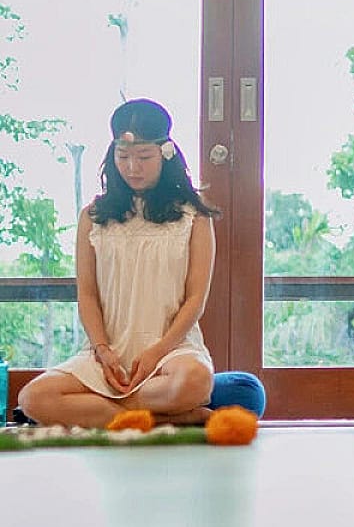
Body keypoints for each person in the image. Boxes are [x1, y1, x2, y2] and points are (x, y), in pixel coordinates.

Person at [18, 99, 220, 428]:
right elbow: (88, 294)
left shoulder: (194, 216)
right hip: (106, 355)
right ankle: (168, 418)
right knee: (33, 399)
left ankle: (114, 411)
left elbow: (195, 299)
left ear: (166, 155)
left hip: (171, 353)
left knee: (195, 382)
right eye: (122, 157)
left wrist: (156, 352)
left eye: (143, 157)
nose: (132, 168)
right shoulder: (93, 217)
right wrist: (102, 349)